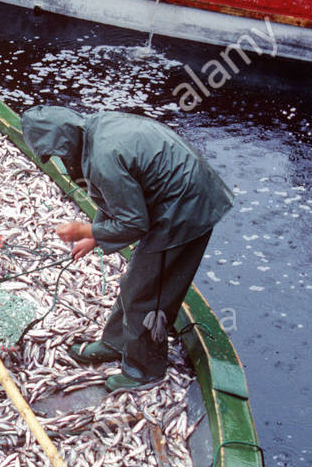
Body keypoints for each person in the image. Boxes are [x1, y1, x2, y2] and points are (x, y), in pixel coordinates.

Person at [21, 106, 233, 392]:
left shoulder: (103, 158)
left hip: (187, 208)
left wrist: (85, 230)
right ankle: (116, 342)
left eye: (56, 153)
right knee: (134, 280)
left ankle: (145, 371)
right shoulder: (94, 128)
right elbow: (115, 199)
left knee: (147, 291)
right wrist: (96, 237)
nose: (59, 159)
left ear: (65, 140)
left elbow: (134, 224)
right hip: (170, 198)